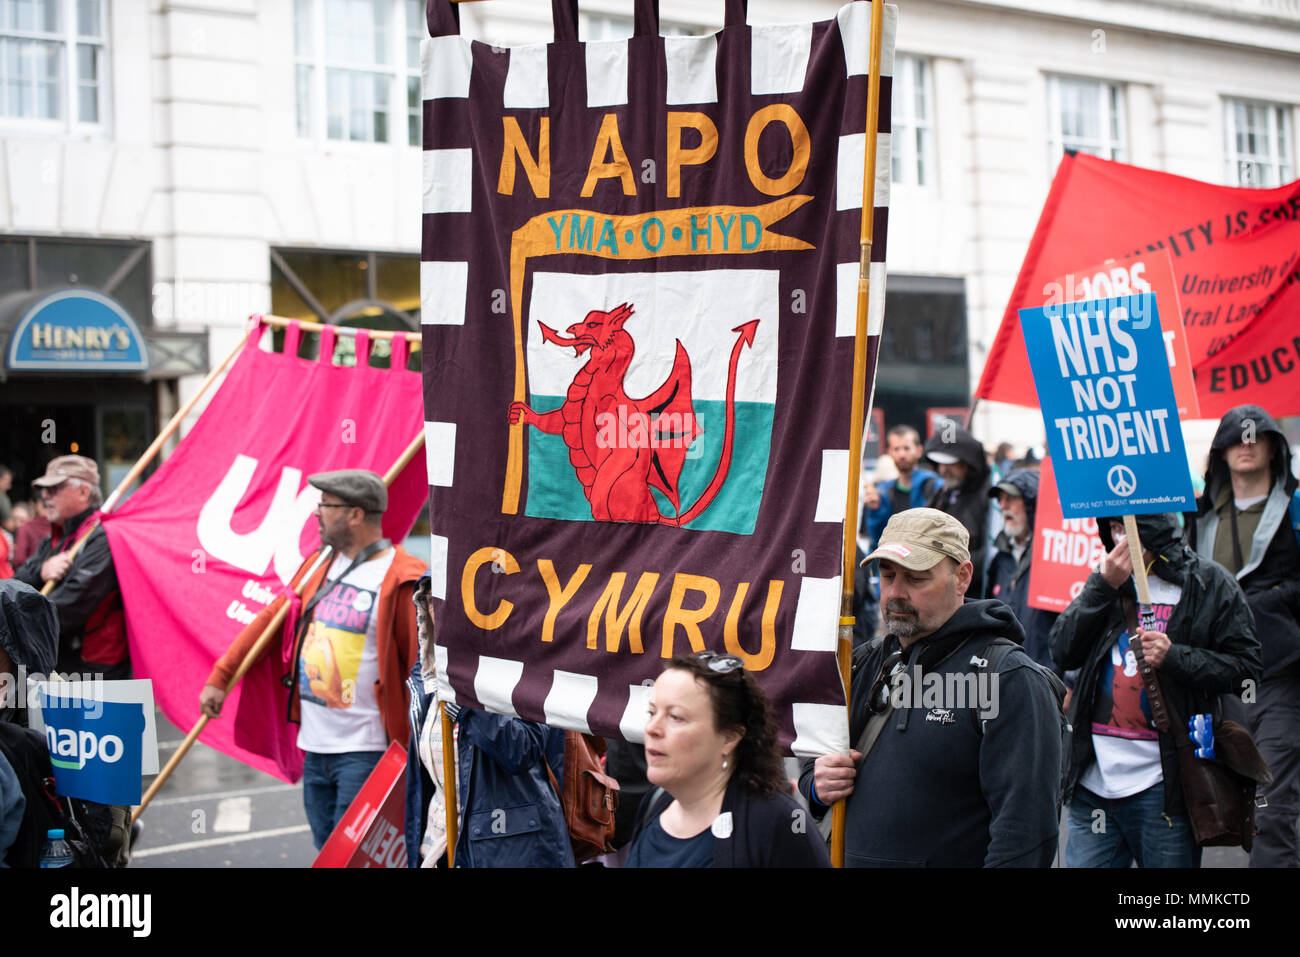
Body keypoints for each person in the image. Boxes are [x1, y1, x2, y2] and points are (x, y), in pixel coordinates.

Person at [799, 508, 1063, 867]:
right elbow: (813, 762)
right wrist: (818, 785)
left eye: (916, 578)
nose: (895, 593)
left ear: (962, 577)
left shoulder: (1008, 678)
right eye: (887, 574)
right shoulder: (864, 661)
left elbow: (1025, 832)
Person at [199, 469, 427, 850]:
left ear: (355, 514)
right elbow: (272, 619)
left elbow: (419, 669)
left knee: (349, 857)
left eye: (326, 505)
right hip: (316, 748)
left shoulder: (403, 577)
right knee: (327, 851)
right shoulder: (319, 565)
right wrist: (221, 677)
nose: (317, 514)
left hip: (367, 751)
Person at [1050, 513, 1260, 868]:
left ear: (1154, 529)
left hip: (1165, 789)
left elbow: (1247, 673)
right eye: (1113, 528)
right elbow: (1061, 649)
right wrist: (1102, 585)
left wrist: (1176, 657)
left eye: (1128, 528)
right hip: (1093, 785)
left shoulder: (1207, 583)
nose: (1120, 540)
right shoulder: (1107, 583)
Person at [1189, 404, 1300, 867]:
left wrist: (1267, 601)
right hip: (1216, 682)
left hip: (1279, 677)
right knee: (1206, 807)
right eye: (1237, 437)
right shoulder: (1195, 520)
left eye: (1257, 436)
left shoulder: (1295, 511)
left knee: (1272, 807)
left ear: (1276, 448)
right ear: (1221, 452)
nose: (1247, 443)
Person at [626, 651, 830, 867]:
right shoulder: (655, 803)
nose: (652, 729)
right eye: (651, 712)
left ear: (729, 738)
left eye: (676, 717)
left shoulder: (776, 822)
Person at [13, 456, 128, 680]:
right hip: (59, 664)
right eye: (44, 490)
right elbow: (16, 584)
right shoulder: (53, 539)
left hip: (98, 671)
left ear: (84, 492)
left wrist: (17, 621)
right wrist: (41, 570)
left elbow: (71, 605)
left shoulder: (102, 537)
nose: (45, 496)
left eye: (54, 489)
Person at [985, 469, 1059, 673]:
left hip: (1045, 676)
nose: (1003, 506)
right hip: (1004, 674)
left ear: (1032, 502)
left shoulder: (1054, 555)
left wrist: (1068, 679)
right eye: (1001, 499)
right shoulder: (1000, 557)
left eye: (1011, 499)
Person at [923, 425, 993, 596]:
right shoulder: (940, 494)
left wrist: (950, 571)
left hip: (973, 592)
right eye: (940, 463)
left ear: (968, 464)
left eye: (951, 463)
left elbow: (991, 551)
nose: (944, 470)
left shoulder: (988, 497)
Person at [861, 425, 943, 547]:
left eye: (906, 448)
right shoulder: (883, 492)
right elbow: (878, 541)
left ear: (919, 450)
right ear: (889, 452)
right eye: (896, 449)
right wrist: (875, 510)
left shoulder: (934, 486)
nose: (902, 454)